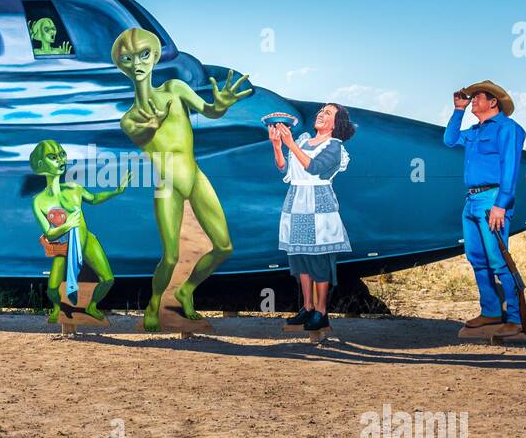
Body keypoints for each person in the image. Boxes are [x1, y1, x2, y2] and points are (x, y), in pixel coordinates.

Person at [111, 27, 253, 330]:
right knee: (170, 257)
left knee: (224, 247)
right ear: (120, 65)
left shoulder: (175, 88)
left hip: (195, 176)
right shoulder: (129, 119)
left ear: (156, 56)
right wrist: (151, 125)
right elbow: (143, 132)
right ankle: (154, 303)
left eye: (144, 54)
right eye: (127, 58)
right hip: (168, 187)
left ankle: (187, 290)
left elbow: (209, 110)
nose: (137, 63)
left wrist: (221, 104)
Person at [443, 80, 526, 338]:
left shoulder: (508, 129)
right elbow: (450, 140)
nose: (472, 101)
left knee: (499, 260)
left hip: (492, 199)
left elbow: (511, 167)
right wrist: (458, 110)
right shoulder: (474, 130)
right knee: (477, 259)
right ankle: (491, 311)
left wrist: (501, 205)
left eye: (477, 97)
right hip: (472, 200)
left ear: (493, 102)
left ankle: (515, 317)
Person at [268, 103, 355, 330]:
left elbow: (314, 168)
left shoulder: (334, 146)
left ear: (337, 123)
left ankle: (321, 311)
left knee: (318, 260)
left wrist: (290, 145)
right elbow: (285, 170)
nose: (321, 114)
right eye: (321, 111)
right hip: (296, 202)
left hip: (318, 204)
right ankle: (307, 307)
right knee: (300, 257)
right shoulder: (303, 140)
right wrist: (278, 146)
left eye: (328, 113)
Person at [29, 139, 129, 323]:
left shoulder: (74, 189)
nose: (60, 160)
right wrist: (68, 225)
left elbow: (94, 198)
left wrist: (116, 191)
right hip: (64, 247)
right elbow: (50, 233)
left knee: (108, 280)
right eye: (53, 157)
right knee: (52, 289)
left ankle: (91, 305)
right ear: (41, 165)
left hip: (86, 241)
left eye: (61, 155)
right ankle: (58, 307)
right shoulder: (39, 201)